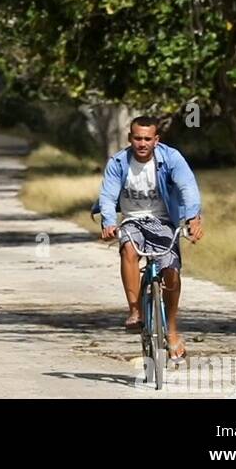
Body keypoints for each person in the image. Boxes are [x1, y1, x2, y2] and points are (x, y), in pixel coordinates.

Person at [91, 116, 204, 362]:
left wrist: (193, 217)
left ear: (156, 140)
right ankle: (135, 310)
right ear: (130, 138)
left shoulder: (171, 158)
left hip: (164, 221)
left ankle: (172, 330)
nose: (142, 143)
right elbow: (108, 196)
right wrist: (109, 222)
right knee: (128, 250)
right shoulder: (119, 162)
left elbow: (188, 187)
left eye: (147, 139)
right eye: (137, 138)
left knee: (171, 272)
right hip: (132, 220)